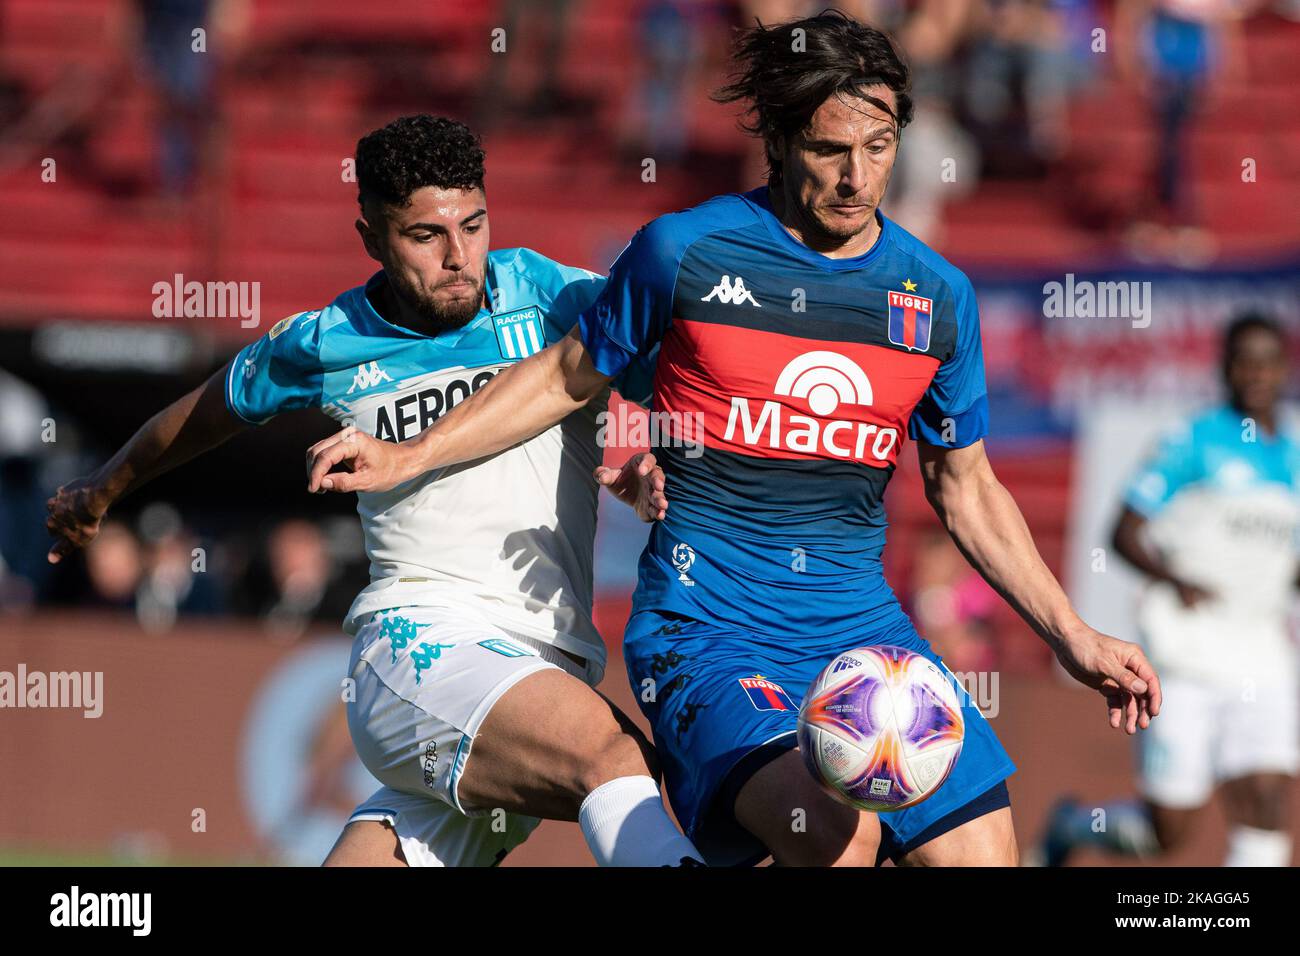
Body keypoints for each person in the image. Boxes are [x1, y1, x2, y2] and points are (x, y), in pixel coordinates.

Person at [305, 14, 1161, 867]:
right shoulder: (685, 251)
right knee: (833, 838)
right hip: (707, 633)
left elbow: (965, 486)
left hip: (866, 637)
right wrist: (410, 454)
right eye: (831, 149)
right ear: (783, 142)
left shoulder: (934, 296)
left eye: (880, 144)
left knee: (983, 857)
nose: (857, 176)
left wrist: (1072, 635)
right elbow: (568, 375)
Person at [46, 114, 701, 868]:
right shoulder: (324, 342)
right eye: (426, 236)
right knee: (621, 767)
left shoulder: (562, 298)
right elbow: (201, 416)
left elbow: (692, 391)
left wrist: (665, 461)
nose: (460, 258)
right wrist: (100, 490)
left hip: (541, 668)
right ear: (371, 239)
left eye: (475, 225)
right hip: (421, 648)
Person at [1037, 313, 1297, 867]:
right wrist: (1175, 579)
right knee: (1170, 831)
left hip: (1264, 652)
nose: (1256, 372)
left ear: (1284, 368)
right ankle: (1074, 826)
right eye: (1243, 360)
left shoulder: (1295, 454)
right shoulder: (1193, 441)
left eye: (1267, 360)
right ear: (1226, 368)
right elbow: (1124, 531)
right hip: (1188, 650)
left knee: (1268, 800)